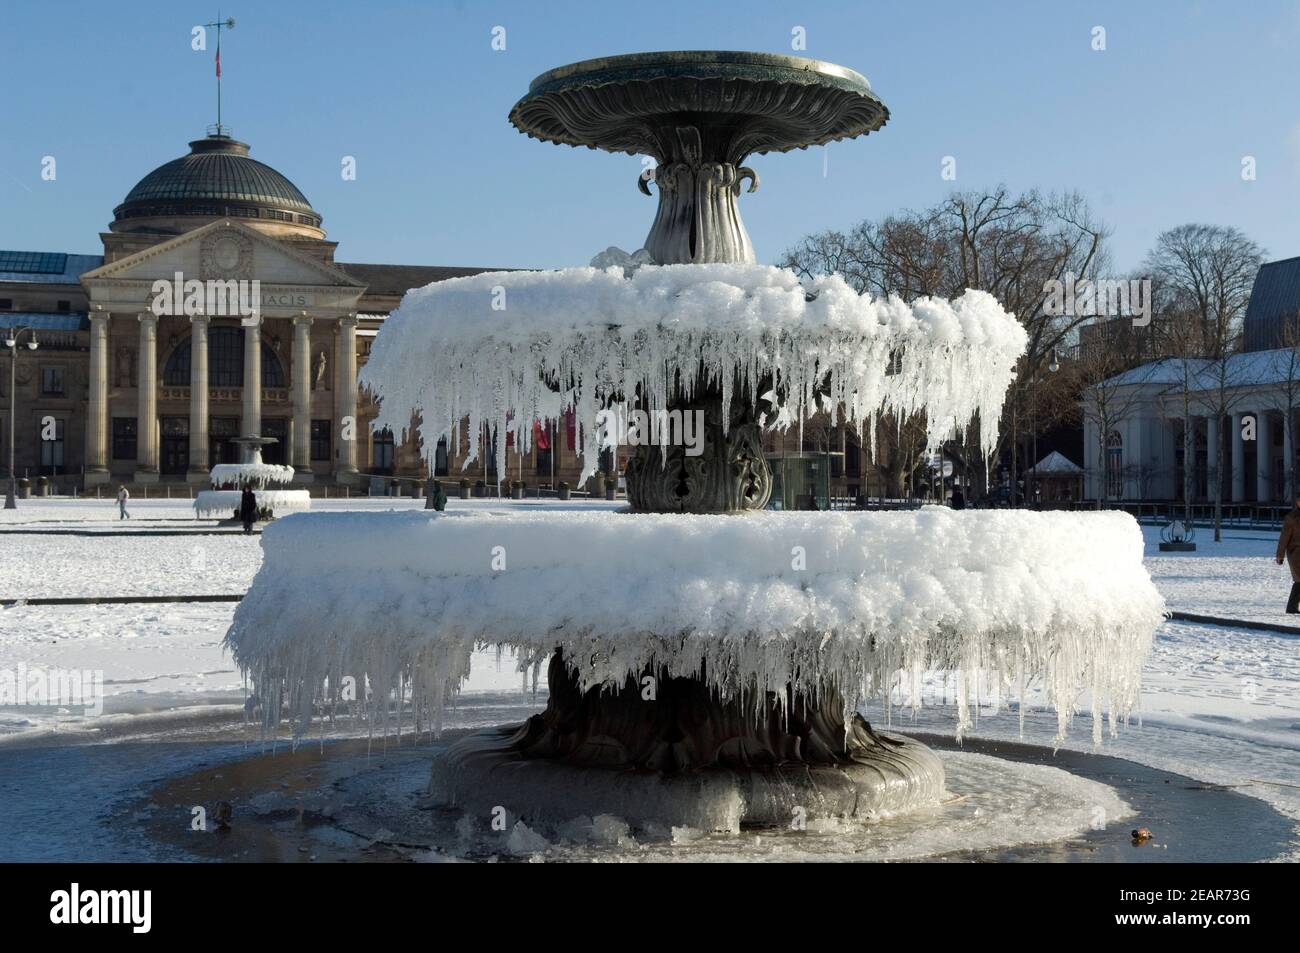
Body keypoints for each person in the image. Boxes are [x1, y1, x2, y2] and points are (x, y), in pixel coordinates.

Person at [1276, 492, 1300, 614]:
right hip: (1296, 553)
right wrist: (1280, 555)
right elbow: (1284, 538)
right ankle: (1291, 608)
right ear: (1297, 502)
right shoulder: (1291, 518)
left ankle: (1292, 608)